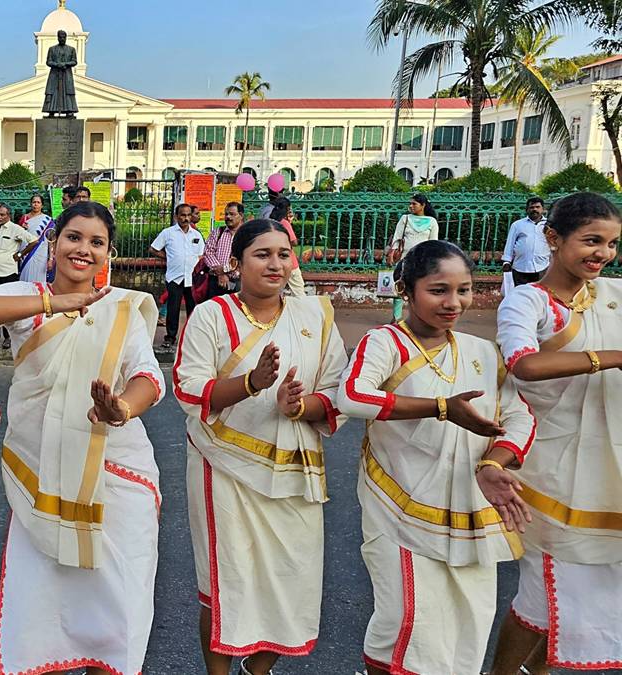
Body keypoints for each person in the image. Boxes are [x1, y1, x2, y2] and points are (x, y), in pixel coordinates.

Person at [0, 201, 164, 675]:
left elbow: (149, 374)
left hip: (116, 470)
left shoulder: (121, 307)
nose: (83, 249)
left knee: (119, 607)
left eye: (96, 242)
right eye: (73, 237)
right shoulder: (29, 297)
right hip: (43, 474)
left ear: (108, 253)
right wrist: (56, 303)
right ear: (54, 241)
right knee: (43, 606)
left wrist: (121, 407)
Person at [338, 240, 536, 675]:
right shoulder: (385, 342)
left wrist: (494, 463)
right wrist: (441, 407)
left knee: (469, 619)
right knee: (408, 621)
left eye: (463, 290)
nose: (454, 303)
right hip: (397, 506)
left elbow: (519, 416)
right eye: (438, 290)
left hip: (470, 507)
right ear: (405, 290)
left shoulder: (483, 353)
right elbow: (352, 397)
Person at [173, 218, 349, 675]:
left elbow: (338, 390)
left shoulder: (316, 316)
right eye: (262, 254)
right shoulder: (211, 315)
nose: (276, 264)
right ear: (235, 263)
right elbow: (190, 388)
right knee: (225, 582)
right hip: (223, 466)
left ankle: (260, 670)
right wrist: (251, 383)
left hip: (294, 471)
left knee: (290, 581)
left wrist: (300, 405)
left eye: (283, 254)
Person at [488, 192, 622, 674]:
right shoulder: (527, 301)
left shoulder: (613, 296)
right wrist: (613, 359)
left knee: (580, 600)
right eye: (590, 241)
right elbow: (524, 364)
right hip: (550, 467)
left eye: (610, 244)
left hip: (609, 473)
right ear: (552, 237)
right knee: (544, 596)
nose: (602, 254)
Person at [150, 203, 205, 352]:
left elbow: (201, 254)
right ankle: (170, 338)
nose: (186, 218)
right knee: (173, 309)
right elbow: (153, 248)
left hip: (192, 278)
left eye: (188, 215)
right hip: (175, 276)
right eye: (182, 215)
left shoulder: (196, 235)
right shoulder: (168, 233)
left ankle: (193, 338)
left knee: (193, 309)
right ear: (176, 217)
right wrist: (168, 256)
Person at [0, 205, 38, 347]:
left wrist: (20, 254)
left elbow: (34, 241)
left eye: (2, 215)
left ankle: (8, 337)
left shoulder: (15, 229)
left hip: (7, 272)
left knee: (7, 306)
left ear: (8, 215)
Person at [387, 193, 440, 321]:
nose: (411, 206)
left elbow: (433, 243)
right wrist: (391, 254)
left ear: (423, 205)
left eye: (414, 204)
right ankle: (396, 317)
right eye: (410, 203)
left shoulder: (432, 222)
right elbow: (397, 237)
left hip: (422, 260)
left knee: (418, 288)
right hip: (404, 258)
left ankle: (417, 318)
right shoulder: (405, 218)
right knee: (400, 285)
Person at [501, 196, 549, 288]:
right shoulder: (517, 225)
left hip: (542, 267)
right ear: (527, 210)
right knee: (520, 295)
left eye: (537, 207)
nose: (534, 209)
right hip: (520, 267)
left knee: (540, 295)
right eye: (531, 207)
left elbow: (553, 244)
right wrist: (506, 262)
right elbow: (510, 244)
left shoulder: (549, 225)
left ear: (543, 209)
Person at [201, 201, 244, 297]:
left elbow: (245, 258)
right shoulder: (218, 232)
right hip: (216, 281)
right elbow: (208, 253)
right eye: (226, 214)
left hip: (238, 282)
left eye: (232, 214)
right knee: (214, 309)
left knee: (236, 310)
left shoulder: (246, 235)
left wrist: (224, 269)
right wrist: (220, 274)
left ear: (241, 215)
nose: (228, 217)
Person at [267, 197, 306, 297]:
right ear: (286, 209)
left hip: (275, 260)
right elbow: (294, 242)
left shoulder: (271, 222)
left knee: (276, 291)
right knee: (298, 290)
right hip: (289, 261)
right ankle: (303, 310)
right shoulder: (284, 223)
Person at [18, 194, 54, 283]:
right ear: (31, 204)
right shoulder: (24, 218)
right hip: (25, 252)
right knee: (24, 277)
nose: (36, 204)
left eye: (38, 202)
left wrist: (51, 259)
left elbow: (51, 240)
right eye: (34, 202)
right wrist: (22, 228)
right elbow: (17, 236)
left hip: (41, 253)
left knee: (38, 279)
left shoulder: (47, 220)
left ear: (42, 205)